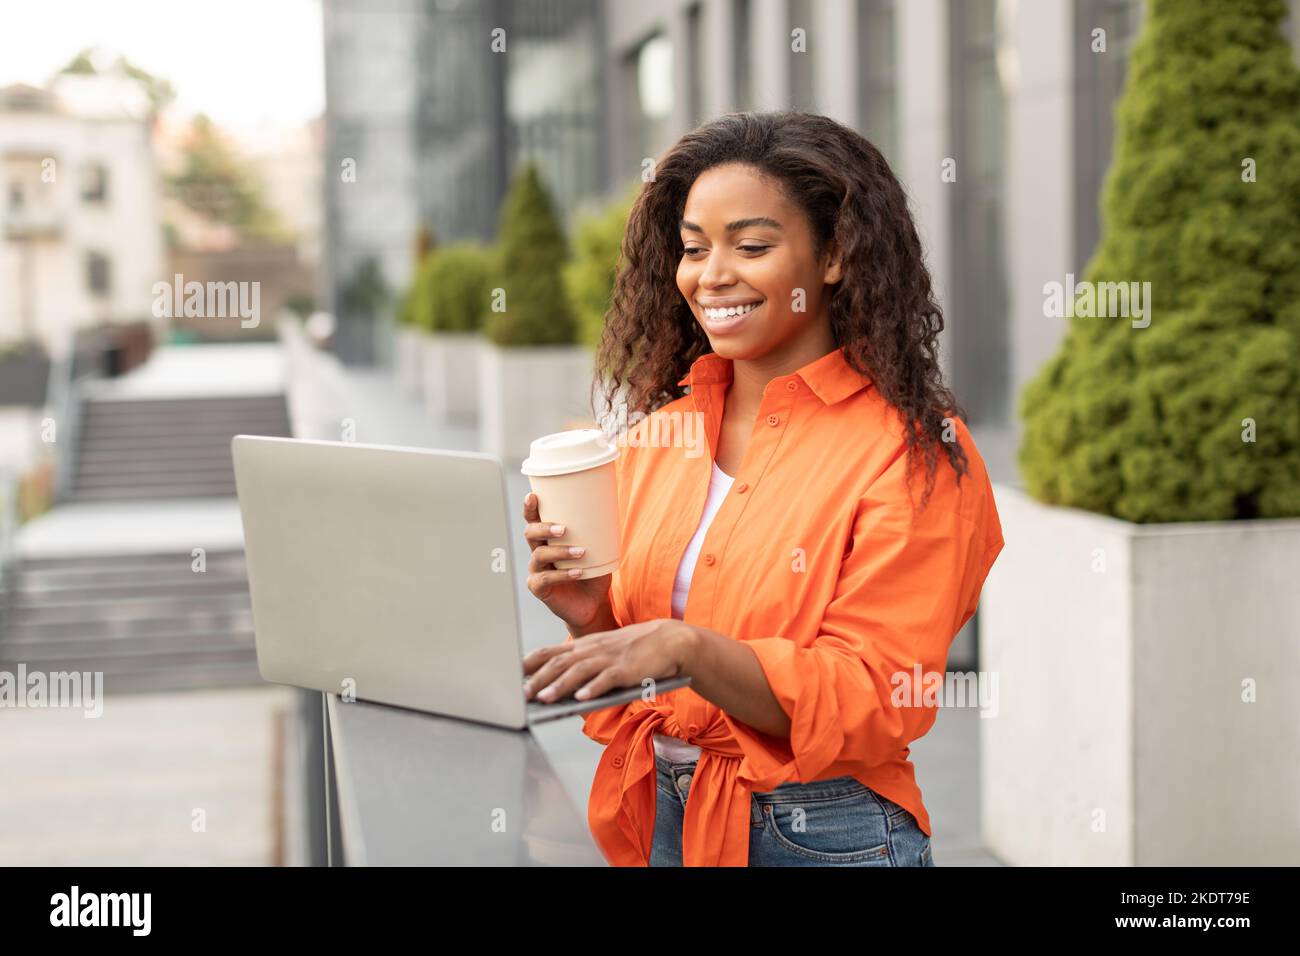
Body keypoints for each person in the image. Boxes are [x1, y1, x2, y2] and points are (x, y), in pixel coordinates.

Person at [521, 110, 1004, 867]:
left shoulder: (911, 451)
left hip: (821, 833)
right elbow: (646, 662)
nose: (712, 275)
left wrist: (690, 649)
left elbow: (881, 695)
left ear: (835, 254)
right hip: (662, 817)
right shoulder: (660, 436)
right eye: (692, 249)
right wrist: (592, 620)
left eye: (752, 246)